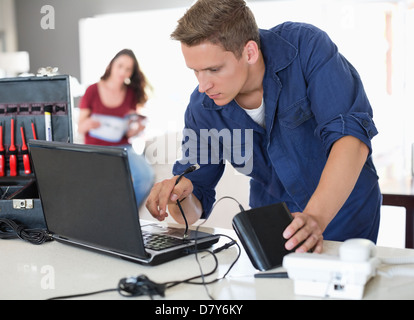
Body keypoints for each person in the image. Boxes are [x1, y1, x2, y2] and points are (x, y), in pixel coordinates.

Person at [145, 0, 382, 254]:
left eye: (214, 69)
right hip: (272, 222)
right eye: (195, 71)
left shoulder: (306, 48)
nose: (203, 85)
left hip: (344, 210)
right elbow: (192, 209)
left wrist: (315, 217)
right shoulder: (202, 109)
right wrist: (179, 199)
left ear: (249, 52)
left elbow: (351, 140)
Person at [79, 49, 154, 206]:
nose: (122, 72)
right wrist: (89, 124)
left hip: (123, 147)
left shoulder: (131, 93)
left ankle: (125, 214)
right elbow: (81, 127)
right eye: (120, 66)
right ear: (111, 65)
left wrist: (136, 129)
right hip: (96, 149)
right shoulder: (92, 90)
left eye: (128, 69)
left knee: (146, 176)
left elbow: (130, 130)